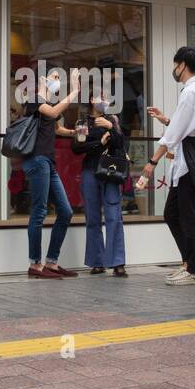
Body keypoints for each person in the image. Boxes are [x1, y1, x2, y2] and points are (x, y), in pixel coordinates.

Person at [141, 47, 195, 287]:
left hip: (190, 164)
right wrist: (166, 120)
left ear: (183, 64)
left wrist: (153, 161)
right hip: (192, 160)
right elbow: (189, 125)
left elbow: (174, 134)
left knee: (185, 216)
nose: (174, 69)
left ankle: (194, 269)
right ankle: (193, 261)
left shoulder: (190, 93)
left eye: (175, 64)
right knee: (175, 214)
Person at [20, 70, 80, 279]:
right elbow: (53, 113)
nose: (58, 81)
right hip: (37, 160)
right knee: (39, 211)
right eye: (54, 77)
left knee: (65, 211)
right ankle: (35, 265)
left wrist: (74, 133)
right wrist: (75, 91)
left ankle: (52, 262)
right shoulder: (33, 100)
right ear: (42, 80)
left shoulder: (45, 105)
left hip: (48, 162)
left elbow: (56, 127)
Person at [71, 95, 128, 277]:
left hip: (111, 172)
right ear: (91, 99)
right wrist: (99, 143)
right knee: (93, 218)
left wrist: (111, 128)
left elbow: (122, 144)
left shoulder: (113, 120)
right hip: (90, 172)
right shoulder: (83, 121)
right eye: (100, 97)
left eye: (106, 98)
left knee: (114, 216)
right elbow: (77, 148)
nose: (104, 101)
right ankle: (97, 262)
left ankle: (118, 263)